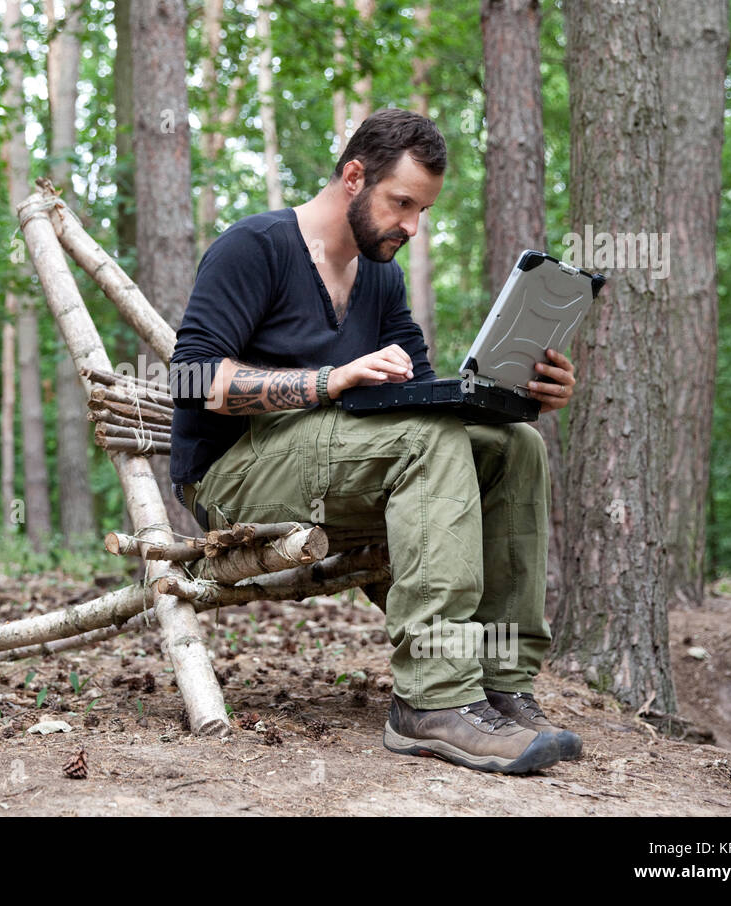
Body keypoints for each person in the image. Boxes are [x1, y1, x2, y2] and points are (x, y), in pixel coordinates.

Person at [168, 107, 582, 775]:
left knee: (515, 447)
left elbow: (422, 400)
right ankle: (433, 702)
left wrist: (524, 394)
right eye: (402, 204)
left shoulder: (380, 276)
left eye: (422, 211)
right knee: (425, 442)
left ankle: (500, 684)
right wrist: (328, 380)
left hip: (334, 462)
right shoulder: (256, 247)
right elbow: (189, 378)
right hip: (229, 476)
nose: (412, 227)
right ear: (355, 176)